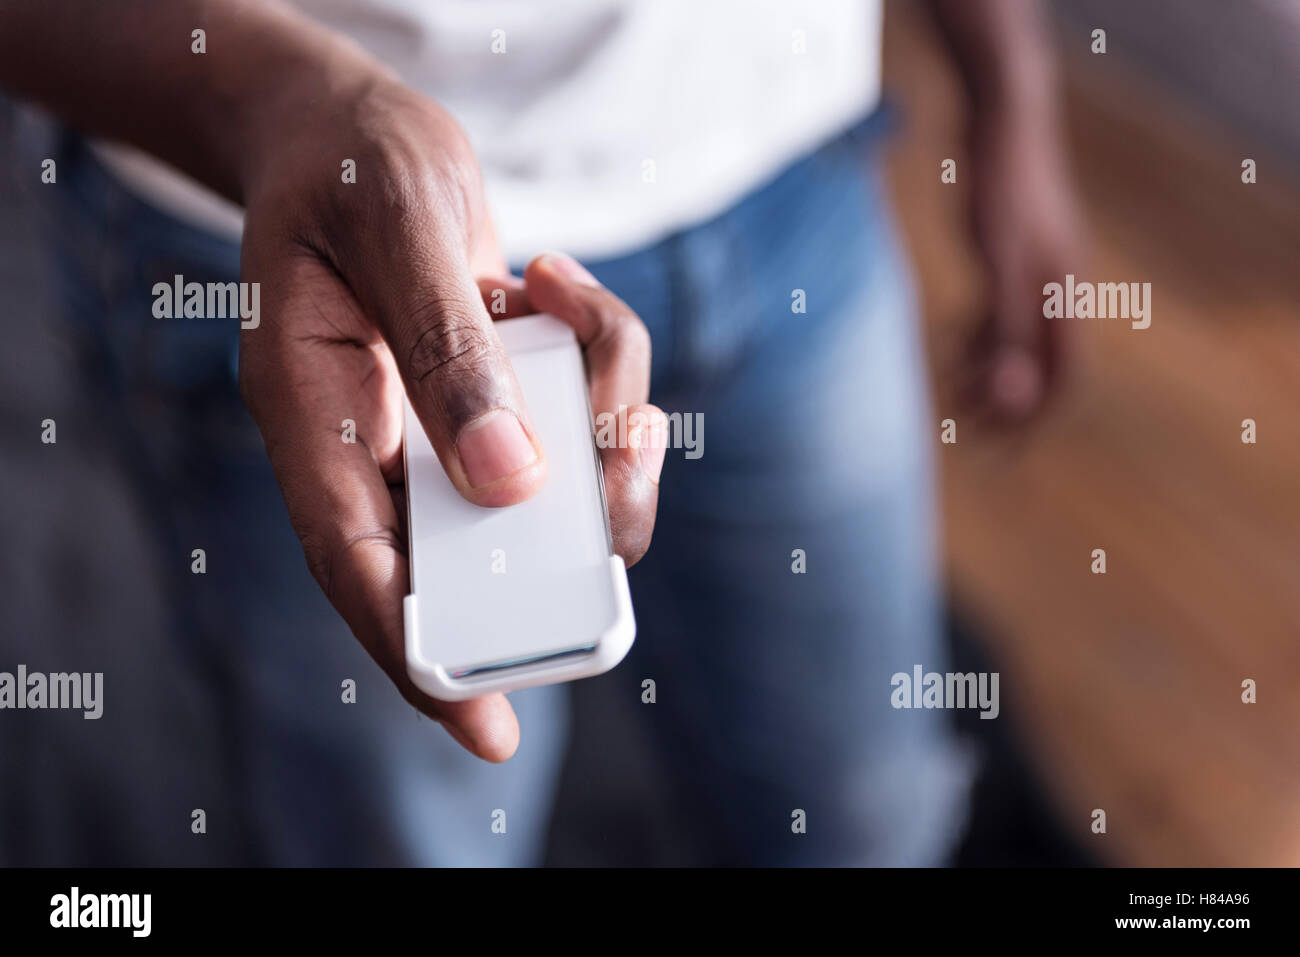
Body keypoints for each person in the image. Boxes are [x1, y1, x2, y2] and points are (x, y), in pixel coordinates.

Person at [0, 0, 1082, 865]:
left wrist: (1009, 83)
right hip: (295, 247)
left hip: (788, 159)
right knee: (404, 837)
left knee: (861, 819)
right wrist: (280, 103)